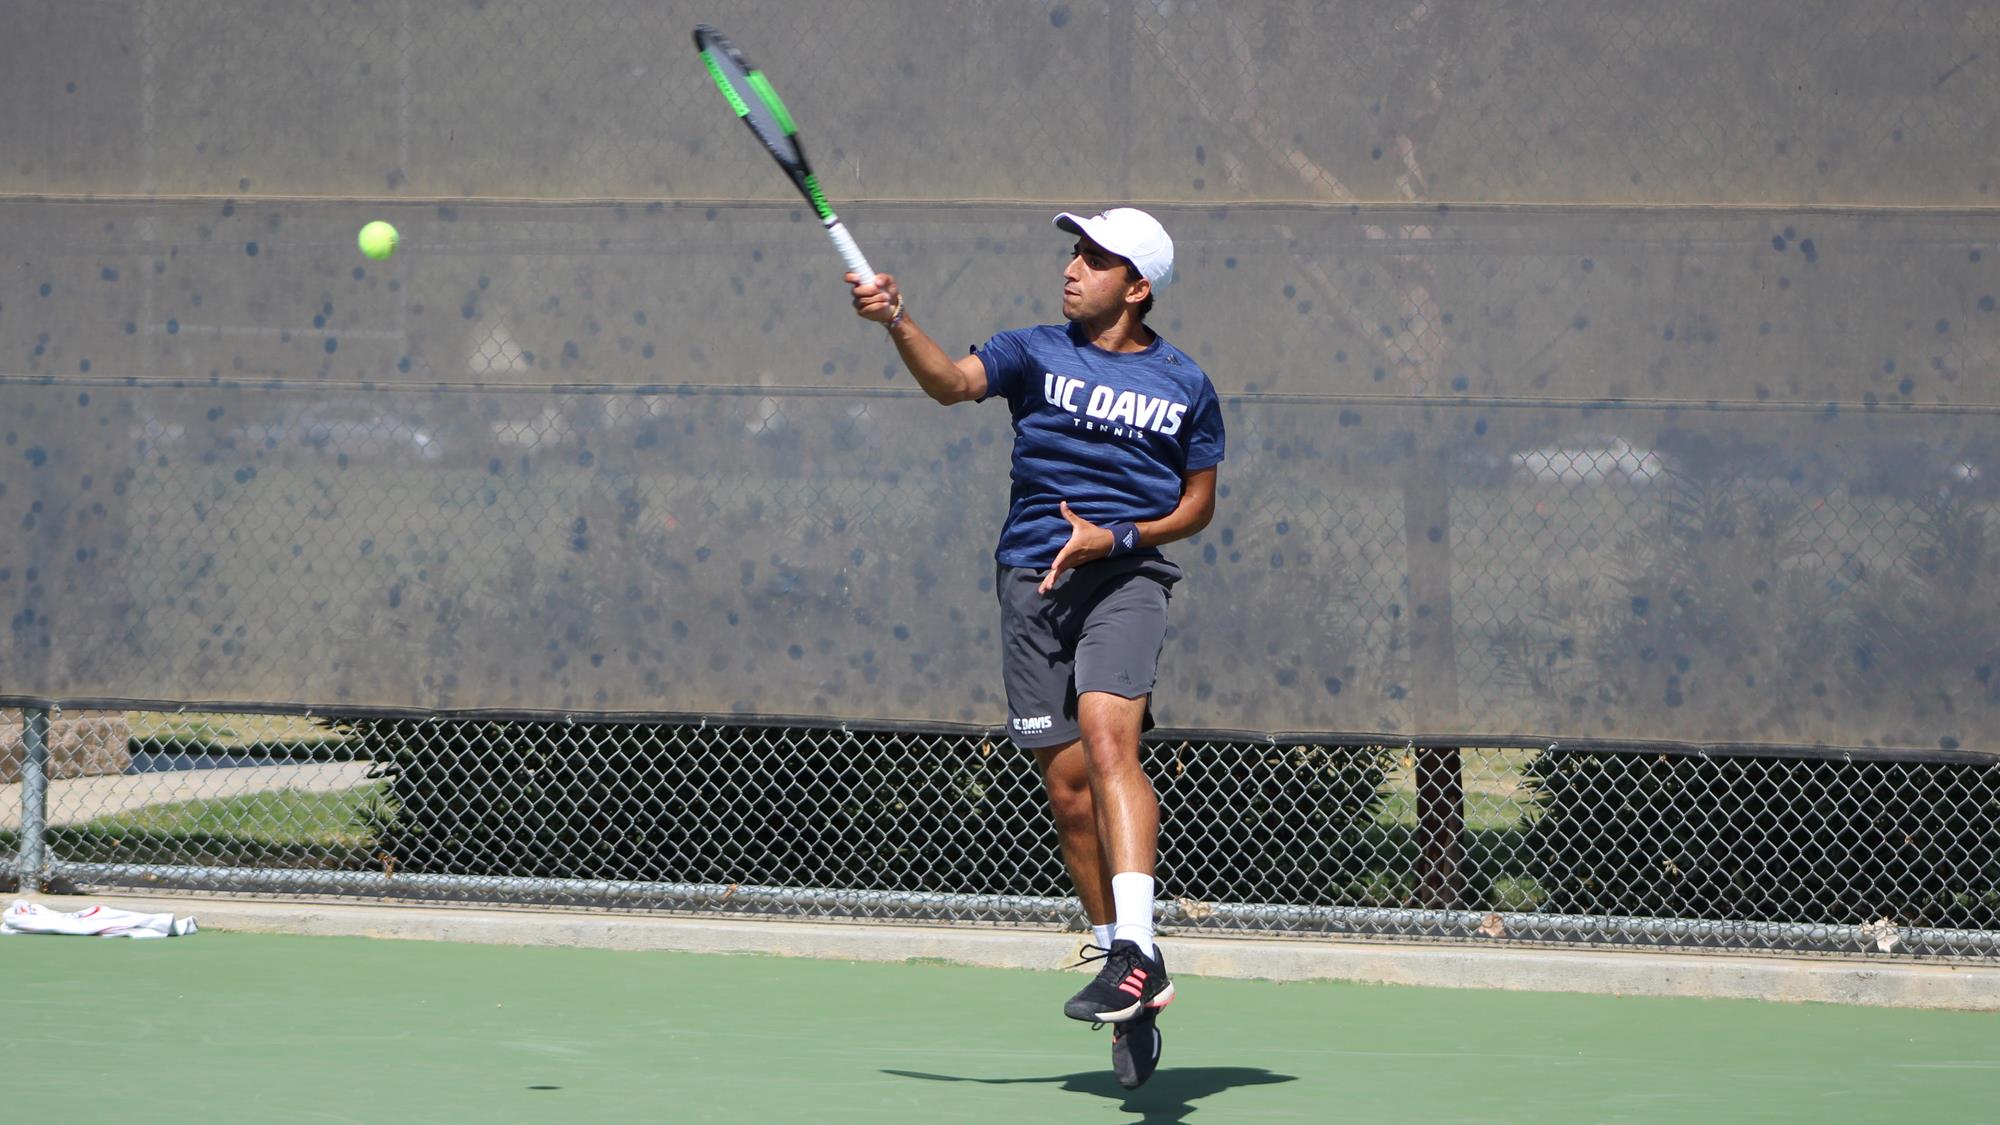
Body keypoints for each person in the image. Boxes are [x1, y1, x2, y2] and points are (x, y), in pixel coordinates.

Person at [848, 207, 1223, 1089]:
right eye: (1074, 251)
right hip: (1031, 582)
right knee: (1067, 792)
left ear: (1137, 286)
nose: (1073, 267)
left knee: (1107, 742)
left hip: (1125, 577)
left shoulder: (1185, 383)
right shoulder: (1032, 351)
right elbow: (948, 383)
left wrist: (1119, 539)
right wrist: (898, 319)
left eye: (1096, 258)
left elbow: (1197, 504)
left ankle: (1138, 949)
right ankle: (1118, 965)